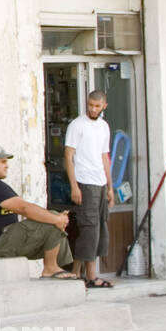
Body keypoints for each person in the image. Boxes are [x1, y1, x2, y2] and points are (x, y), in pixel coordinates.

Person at [0, 145, 77, 279]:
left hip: (6, 240)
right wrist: (57, 219)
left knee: (53, 219)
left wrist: (56, 219)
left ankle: (59, 269)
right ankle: (50, 268)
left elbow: (23, 206)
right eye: (3, 162)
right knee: (53, 219)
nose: (7, 166)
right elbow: (24, 208)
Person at [65, 89, 113, 288]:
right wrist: (74, 185)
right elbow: (68, 156)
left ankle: (78, 273)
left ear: (104, 106)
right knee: (88, 228)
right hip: (84, 182)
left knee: (100, 226)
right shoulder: (77, 125)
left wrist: (110, 186)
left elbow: (105, 157)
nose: (93, 109)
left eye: (97, 106)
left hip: (100, 182)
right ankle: (90, 276)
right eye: (90, 105)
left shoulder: (104, 127)